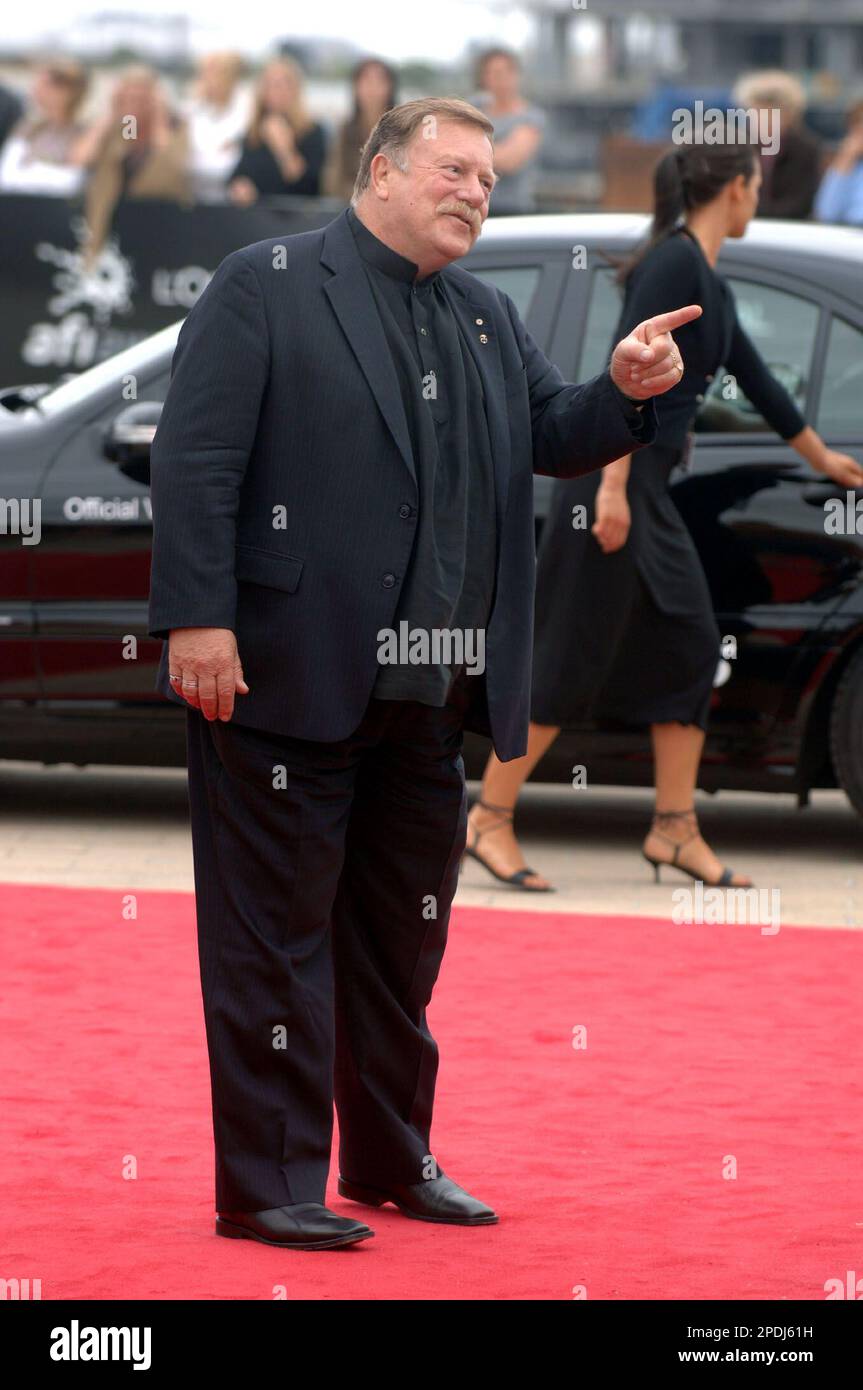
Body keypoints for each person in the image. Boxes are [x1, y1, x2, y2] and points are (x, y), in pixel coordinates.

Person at [148, 96, 698, 1250]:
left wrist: (630, 395)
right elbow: (196, 464)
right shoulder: (268, 282)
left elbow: (558, 430)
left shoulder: (486, 317)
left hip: (433, 692)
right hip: (285, 679)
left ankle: (393, 1161)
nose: (474, 194)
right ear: (383, 172)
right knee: (273, 946)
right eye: (453, 171)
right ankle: (267, 1184)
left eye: (488, 181)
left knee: (402, 944)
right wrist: (196, 620)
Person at [465, 141, 863, 894]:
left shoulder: (704, 276)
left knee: (687, 644)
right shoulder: (672, 264)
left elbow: (755, 380)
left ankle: (674, 828)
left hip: (645, 486)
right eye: (756, 184)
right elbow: (632, 371)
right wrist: (610, 489)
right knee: (570, 650)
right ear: (736, 188)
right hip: (614, 483)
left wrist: (827, 462)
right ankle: (488, 815)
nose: (759, 196)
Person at [77, 66, 190, 261]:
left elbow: (172, 167)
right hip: (111, 220)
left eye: (141, 99)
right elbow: (82, 159)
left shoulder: (174, 126)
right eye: (128, 98)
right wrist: (112, 116)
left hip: (161, 221)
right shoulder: (127, 127)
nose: (134, 104)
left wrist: (158, 117)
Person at [228, 56, 326, 205]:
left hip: (298, 221)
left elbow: (310, 187)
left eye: (283, 84)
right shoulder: (254, 133)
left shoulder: (312, 131)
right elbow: (238, 175)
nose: (277, 91)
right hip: (257, 218)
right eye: (270, 85)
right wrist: (239, 186)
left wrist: (284, 149)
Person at [732, 71, 822, 221]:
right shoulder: (739, 146)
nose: (760, 119)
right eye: (755, 112)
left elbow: (801, 202)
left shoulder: (806, 150)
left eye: (768, 113)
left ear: (788, 115)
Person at [470, 47, 545, 215]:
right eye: (494, 73)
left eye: (506, 72)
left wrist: (466, 150)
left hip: (510, 208)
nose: (501, 80)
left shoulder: (531, 117)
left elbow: (511, 161)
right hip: (473, 205)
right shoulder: (474, 106)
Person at [0, 58, 90, 196]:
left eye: (44, 84)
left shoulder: (83, 131)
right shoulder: (29, 127)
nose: (36, 89)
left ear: (67, 91)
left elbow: (71, 180)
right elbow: (7, 175)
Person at [324, 56, 398, 203]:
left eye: (379, 81)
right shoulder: (345, 130)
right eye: (366, 81)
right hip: (351, 208)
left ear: (390, 87)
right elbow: (332, 181)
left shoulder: (401, 130)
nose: (372, 88)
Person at [183, 51, 250, 203]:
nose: (211, 79)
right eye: (205, 73)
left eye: (218, 73)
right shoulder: (189, 109)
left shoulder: (248, 108)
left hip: (235, 199)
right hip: (193, 198)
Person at [815, 92, 863, 227]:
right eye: (857, 127)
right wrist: (845, 160)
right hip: (848, 236)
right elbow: (827, 213)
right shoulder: (849, 164)